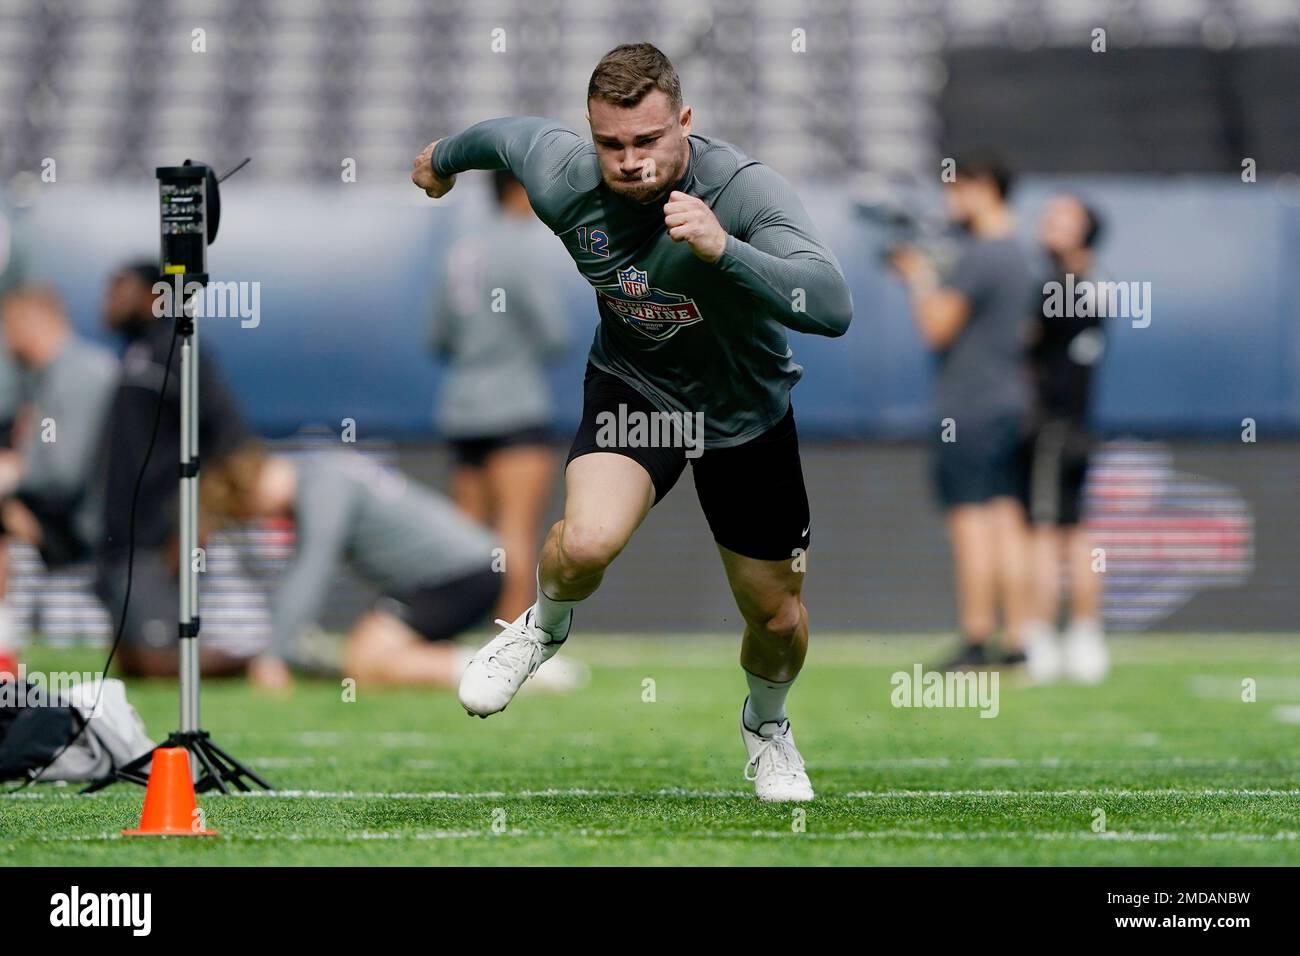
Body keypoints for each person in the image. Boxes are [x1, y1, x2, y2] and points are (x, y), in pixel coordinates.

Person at [411, 42, 853, 802]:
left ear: (684, 122)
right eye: (611, 144)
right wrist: (443, 161)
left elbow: (833, 306)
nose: (630, 161)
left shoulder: (743, 192)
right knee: (584, 542)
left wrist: (725, 250)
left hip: (744, 415)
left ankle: (768, 726)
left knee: (777, 618)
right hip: (636, 388)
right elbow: (503, 135)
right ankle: (540, 629)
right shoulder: (561, 179)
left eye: (649, 141)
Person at [202, 444, 585, 693]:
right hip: (453, 573)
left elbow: (310, 568)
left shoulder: (321, 484)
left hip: (460, 575)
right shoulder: (321, 469)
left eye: (248, 515)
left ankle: (510, 669)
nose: (260, 520)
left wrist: (273, 656)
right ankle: (494, 661)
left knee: (364, 664)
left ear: (253, 494)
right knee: (362, 656)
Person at [889, 153, 1035, 672]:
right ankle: (1017, 642)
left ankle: (976, 638)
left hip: (970, 406)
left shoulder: (982, 255)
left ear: (983, 188)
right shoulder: (1021, 254)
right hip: (1010, 401)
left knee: (972, 522)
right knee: (1007, 518)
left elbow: (937, 328)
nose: (950, 201)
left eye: (957, 189)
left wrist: (919, 276)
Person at [93, 261, 253, 677]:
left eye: (120, 290)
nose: (107, 303)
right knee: (130, 663)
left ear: (153, 296)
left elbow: (231, 440)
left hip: (159, 538)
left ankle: (258, 662)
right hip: (120, 540)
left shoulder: (181, 350)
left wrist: (197, 518)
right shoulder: (132, 354)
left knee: (160, 660)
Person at [431, 169, 571, 620]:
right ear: (520, 191)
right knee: (515, 530)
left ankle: (450, 634)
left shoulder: (458, 251)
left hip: (461, 408)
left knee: (464, 535)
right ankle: (510, 640)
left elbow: (437, 336)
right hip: (514, 406)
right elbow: (555, 333)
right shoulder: (520, 244)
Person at [1021, 194, 1109, 683]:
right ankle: (1085, 636)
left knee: (1045, 532)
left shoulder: (1063, 286)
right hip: (1078, 424)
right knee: (1075, 531)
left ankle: (1039, 639)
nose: (1048, 223)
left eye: (1062, 218)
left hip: (1054, 426)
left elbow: (1027, 338)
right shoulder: (1096, 282)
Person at [0, 286, 116, 646]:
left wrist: (14, 473)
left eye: (8, 328)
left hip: (85, 523)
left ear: (31, 322)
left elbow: (62, 471)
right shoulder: (49, 377)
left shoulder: (78, 375)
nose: (6, 344)